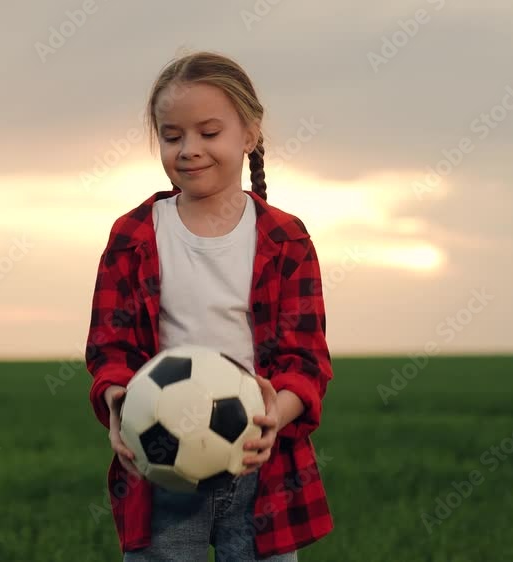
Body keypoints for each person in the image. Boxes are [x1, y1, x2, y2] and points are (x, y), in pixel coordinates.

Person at [85, 50, 334, 561]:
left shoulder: (285, 239)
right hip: (160, 465)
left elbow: (306, 360)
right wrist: (116, 399)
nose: (189, 150)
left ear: (250, 134)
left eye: (209, 132)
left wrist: (275, 415)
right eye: (172, 136)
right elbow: (109, 348)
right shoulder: (133, 235)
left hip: (262, 467)